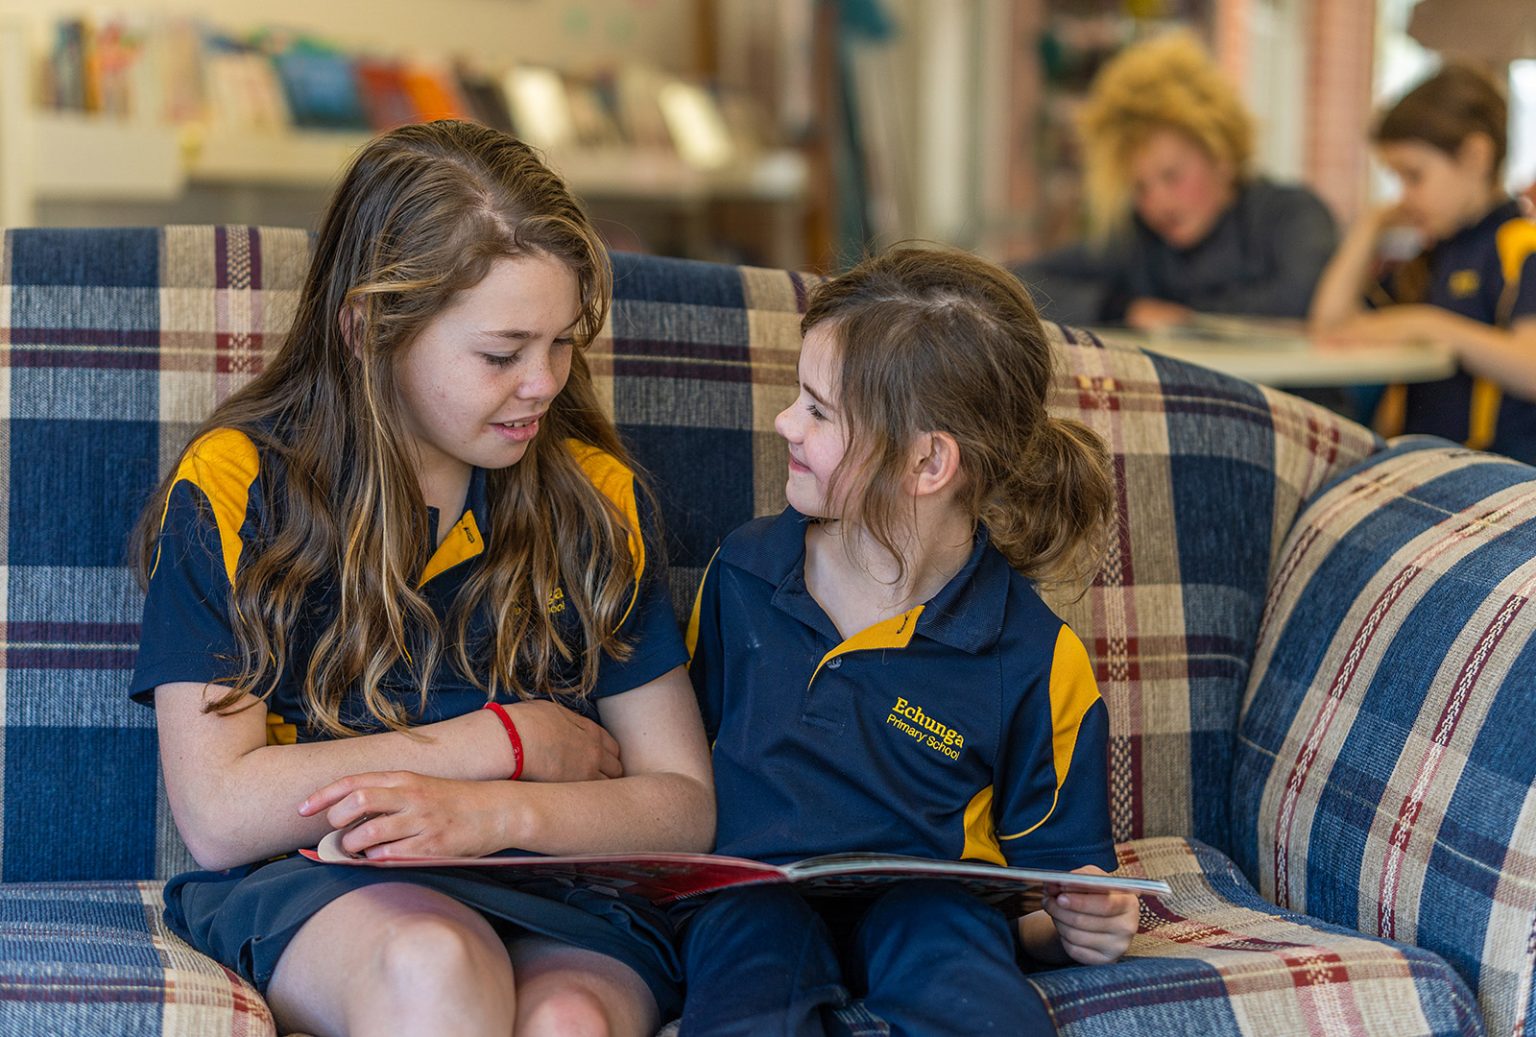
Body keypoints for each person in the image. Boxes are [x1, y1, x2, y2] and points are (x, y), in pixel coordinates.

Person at [129, 120, 714, 1037]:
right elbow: (221, 809)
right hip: (329, 880)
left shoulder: (596, 501)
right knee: (434, 966)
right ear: (368, 328)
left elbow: (682, 806)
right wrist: (499, 742)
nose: (544, 384)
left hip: (554, 878)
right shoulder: (237, 484)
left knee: (570, 1021)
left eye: (562, 344)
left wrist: (490, 809)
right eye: (502, 352)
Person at [677, 245, 1140, 1036]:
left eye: (819, 411)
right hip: (751, 897)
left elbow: (1051, 890)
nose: (786, 421)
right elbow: (681, 765)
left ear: (928, 461)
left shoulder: (1035, 656)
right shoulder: (744, 570)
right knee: (747, 943)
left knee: (945, 937)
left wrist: (1080, 926)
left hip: (938, 915)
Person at [1013, 31, 1338, 330]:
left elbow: (1305, 300)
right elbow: (1012, 283)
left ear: (1221, 156)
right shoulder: (1136, 243)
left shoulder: (1293, 214)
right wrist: (1121, 308)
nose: (1158, 204)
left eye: (1172, 176)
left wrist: (1185, 319)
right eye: (1139, 188)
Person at [1309, 64, 1536, 463]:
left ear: (1476, 156)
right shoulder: (1433, 256)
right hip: (1424, 468)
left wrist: (1429, 325)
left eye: (1414, 176)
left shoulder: (1521, 245)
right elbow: (1329, 325)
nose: (1406, 196)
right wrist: (1371, 226)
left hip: (1501, 479)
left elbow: (1531, 365)